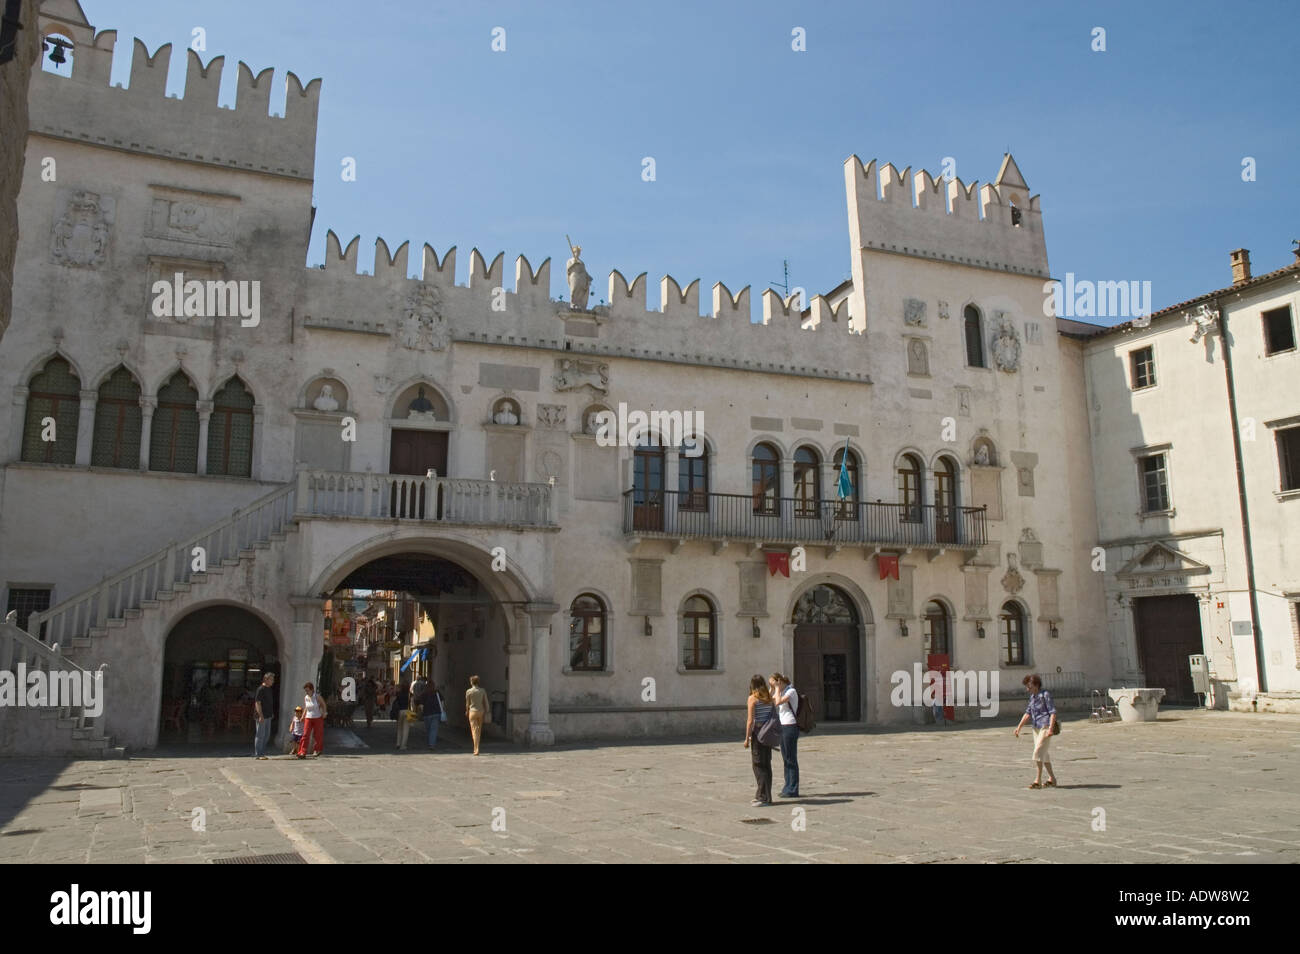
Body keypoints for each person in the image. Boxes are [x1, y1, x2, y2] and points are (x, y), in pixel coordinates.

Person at [1014, 673, 1058, 789]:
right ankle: (1052, 779)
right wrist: (1019, 727)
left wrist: (1051, 729)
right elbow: (1028, 713)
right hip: (1036, 727)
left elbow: (1052, 712)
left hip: (1045, 727)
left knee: (1038, 752)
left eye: (1029, 686)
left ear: (1036, 685)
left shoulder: (1045, 695)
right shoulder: (1032, 697)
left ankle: (1037, 780)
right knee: (1044, 754)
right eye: (1027, 686)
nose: (1027, 689)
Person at [743, 674, 776, 807]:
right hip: (768, 734)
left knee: (758, 765)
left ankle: (764, 797)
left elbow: (750, 721)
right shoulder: (768, 698)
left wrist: (747, 738)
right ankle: (763, 795)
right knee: (766, 765)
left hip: (758, 734)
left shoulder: (753, 698)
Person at [770, 672, 799, 797]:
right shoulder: (781, 692)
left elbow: (777, 703)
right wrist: (772, 688)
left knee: (791, 758)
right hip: (783, 726)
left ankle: (793, 788)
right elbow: (769, 700)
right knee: (785, 758)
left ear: (780, 682)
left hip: (790, 726)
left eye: (776, 683)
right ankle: (787, 786)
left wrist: (776, 688)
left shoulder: (791, 691)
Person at [297, 682, 326, 758]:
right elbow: (306, 707)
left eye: (307, 690)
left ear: (312, 689)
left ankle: (317, 750)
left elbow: (323, 704)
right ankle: (302, 751)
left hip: (317, 717)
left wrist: (324, 712)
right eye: (305, 691)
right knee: (305, 734)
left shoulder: (317, 696)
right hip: (308, 718)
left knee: (318, 735)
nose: (306, 692)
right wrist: (303, 716)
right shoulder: (306, 697)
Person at [253, 672, 276, 759]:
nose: (273, 681)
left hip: (268, 715)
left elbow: (269, 702)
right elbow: (257, 703)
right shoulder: (261, 689)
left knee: (267, 735)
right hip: (261, 716)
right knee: (260, 735)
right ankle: (258, 754)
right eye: (271, 679)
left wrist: (271, 713)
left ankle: (262, 752)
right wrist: (260, 715)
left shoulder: (269, 689)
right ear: (266, 679)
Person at [465, 675, 489, 756]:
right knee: (478, 730)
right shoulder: (482, 690)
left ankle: (476, 748)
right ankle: (477, 747)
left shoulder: (469, 691)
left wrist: (467, 711)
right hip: (480, 712)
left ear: (471, 682)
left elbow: (467, 703)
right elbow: (486, 701)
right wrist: (487, 710)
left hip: (472, 712)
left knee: (474, 730)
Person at [421, 681, 442, 749]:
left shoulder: (424, 693)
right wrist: (442, 709)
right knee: (434, 729)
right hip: (436, 712)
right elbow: (442, 701)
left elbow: (421, 704)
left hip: (427, 713)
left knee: (428, 729)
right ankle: (431, 744)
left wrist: (421, 711)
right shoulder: (437, 692)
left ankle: (430, 743)